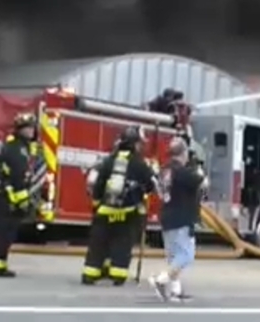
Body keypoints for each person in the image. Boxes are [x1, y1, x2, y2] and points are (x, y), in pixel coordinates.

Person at [82, 126, 156, 286]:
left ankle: (90, 274)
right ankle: (117, 274)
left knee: (98, 244)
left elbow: (98, 184)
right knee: (122, 244)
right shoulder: (139, 164)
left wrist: (96, 205)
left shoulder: (108, 160)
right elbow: (151, 186)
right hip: (127, 213)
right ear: (135, 144)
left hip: (104, 211)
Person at [151, 137, 205, 301]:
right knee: (186, 255)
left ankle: (175, 291)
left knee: (174, 257)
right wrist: (198, 169)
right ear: (184, 153)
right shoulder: (182, 172)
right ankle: (161, 280)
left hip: (167, 215)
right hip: (181, 218)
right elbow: (201, 181)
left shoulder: (165, 170)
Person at [0, 113, 39, 278]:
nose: (31, 131)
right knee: (3, 233)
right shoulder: (18, 150)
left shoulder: (17, 146)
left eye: (32, 128)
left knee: (2, 233)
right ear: (19, 130)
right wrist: (23, 202)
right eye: (27, 128)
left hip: (2, 196)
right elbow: (18, 177)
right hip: (6, 199)